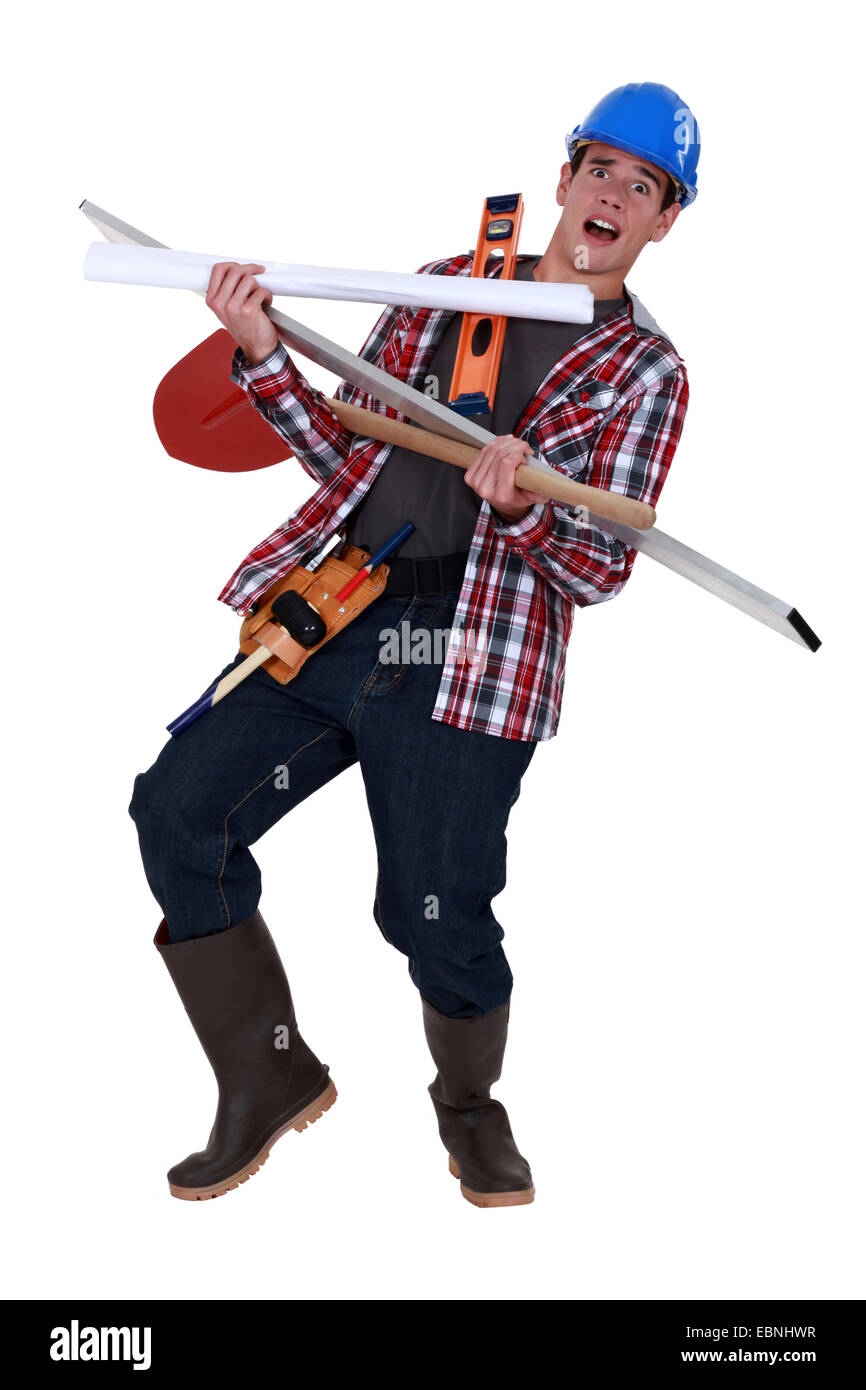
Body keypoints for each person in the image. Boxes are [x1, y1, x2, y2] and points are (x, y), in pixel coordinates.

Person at [130, 81, 700, 1207]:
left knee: (430, 911)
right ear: (564, 178)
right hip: (344, 613)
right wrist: (258, 351)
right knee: (178, 810)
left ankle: (466, 1105)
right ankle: (267, 1075)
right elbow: (343, 454)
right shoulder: (442, 288)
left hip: (473, 660)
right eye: (600, 169)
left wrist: (526, 504)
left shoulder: (643, 372)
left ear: (661, 223)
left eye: (643, 188)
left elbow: (598, 568)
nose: (612, 196)